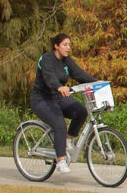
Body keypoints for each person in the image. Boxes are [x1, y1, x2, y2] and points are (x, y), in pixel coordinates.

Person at [31, 32, 97, 174]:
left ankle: (68, 140)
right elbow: (49, 77)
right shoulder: (46, 59)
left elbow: (79, 74)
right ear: (56, 46)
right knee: (60, 124)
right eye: (65, 45)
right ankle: (60, 161)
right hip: (42, 99)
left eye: (69, 45)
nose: (68, 48)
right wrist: (59, 87)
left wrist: (97, 82)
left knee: (81, 112)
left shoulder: (67, 61)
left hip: (57, 97)